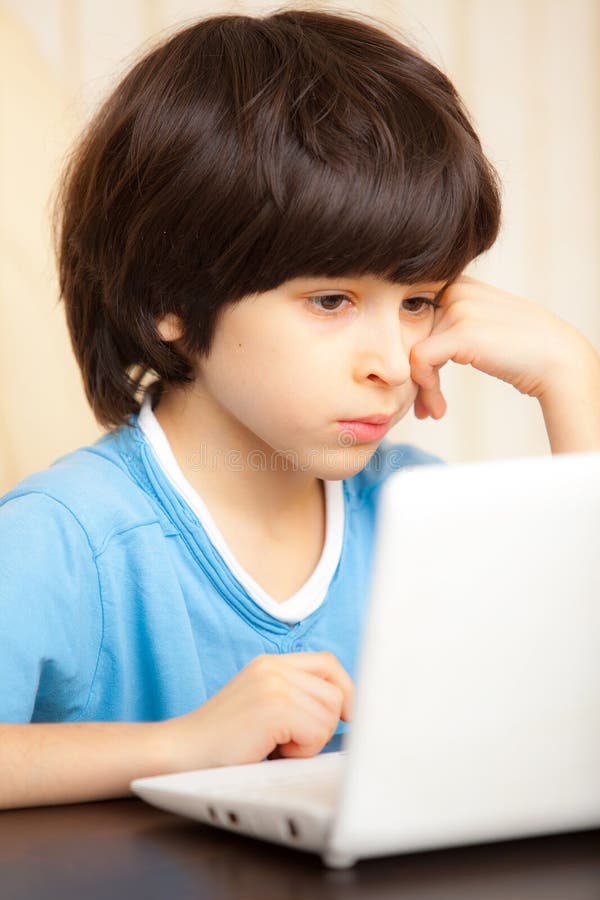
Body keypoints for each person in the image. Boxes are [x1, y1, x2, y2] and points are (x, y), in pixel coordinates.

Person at [1, 8, 599, 811]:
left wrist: (573, 380)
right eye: (331, 300)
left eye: (419, 301)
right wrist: (185, 745)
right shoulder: (65, 538)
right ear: (171, 300)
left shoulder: (414, 511)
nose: (390, 363)